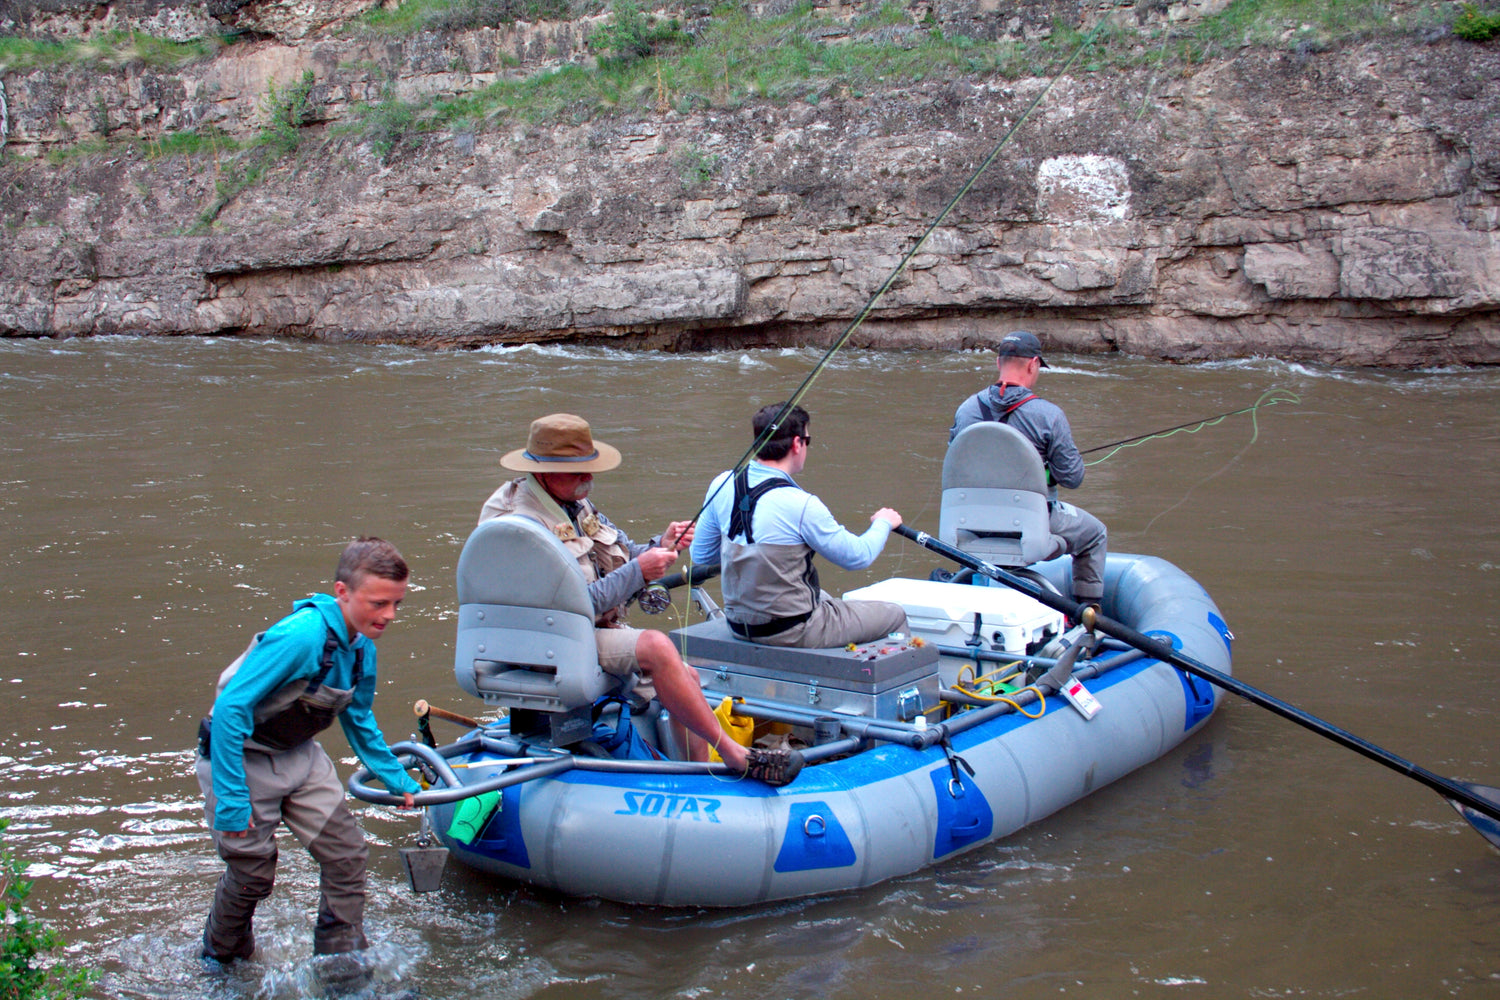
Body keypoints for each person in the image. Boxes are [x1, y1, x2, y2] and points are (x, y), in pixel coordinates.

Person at [479, 412, 802, 786]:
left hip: (580, 633)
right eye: (578, 471)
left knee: (689, 676)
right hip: (551, 640)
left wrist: (660, 546)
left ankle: (703, 775)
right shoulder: (520, 525)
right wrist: (640, 572)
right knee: (656, 645)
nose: (589, 478)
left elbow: (620, 551)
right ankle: (734, 756)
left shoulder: (572, 501)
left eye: (590, 468)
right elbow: (574, 604)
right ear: (543, 471)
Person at [195, 537, 421, 965]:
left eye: (396, 604)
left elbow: (359, 717)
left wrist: (396, 779)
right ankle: (221, 960)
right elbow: (230, 709)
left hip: (299, 756)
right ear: (342, 592)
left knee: (347, 855)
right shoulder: (300, 636)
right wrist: (231, 798)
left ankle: (341, 967)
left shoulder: (362, 651)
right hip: (238, 757)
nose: (389, 615)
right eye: (378, 603)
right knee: (252, 874)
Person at [691, 402, 909, 649]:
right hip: (793, 630)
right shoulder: (802, 504)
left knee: (826, 597)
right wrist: (883, 523)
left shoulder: (721, 484)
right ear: (797, 444)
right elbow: (857, 557)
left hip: (739, 626)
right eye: (808, 440)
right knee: (894, 615)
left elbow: (701, 555)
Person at [948, 330, 1108, 608]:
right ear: (1033, 364)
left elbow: (957, 461)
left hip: (970, 525)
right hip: (1027, 524)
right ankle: (1089, 614)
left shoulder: (965, 410)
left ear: (999, 362)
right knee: (1095, 534)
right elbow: (1073, 478)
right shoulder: (1048, 415)